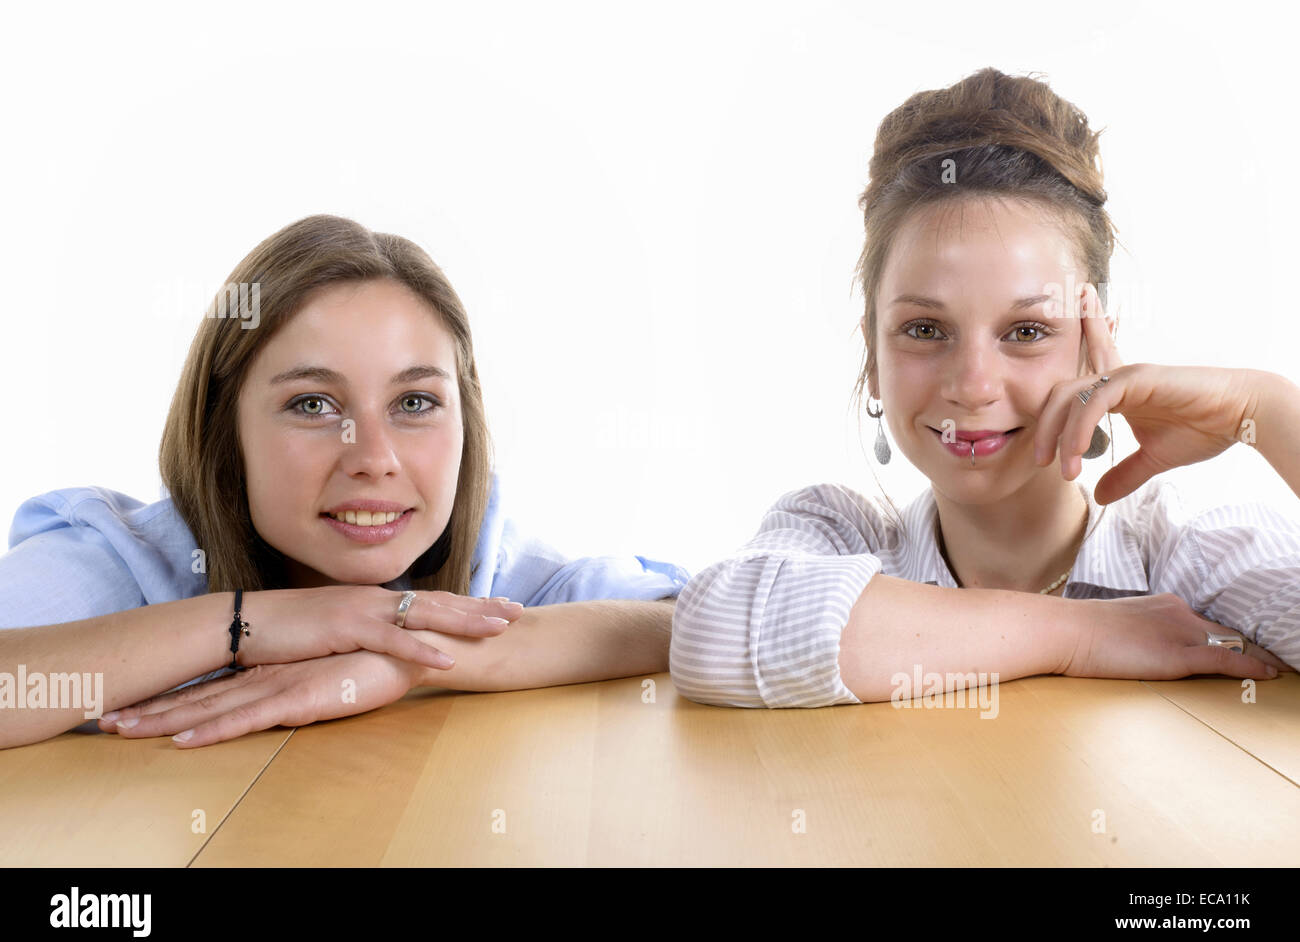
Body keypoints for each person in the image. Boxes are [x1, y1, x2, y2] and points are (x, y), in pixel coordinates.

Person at [671, 67, 1300, 708]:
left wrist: (1269, 409)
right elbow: (712, 634)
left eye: (1026, 331)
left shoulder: (1188, 557)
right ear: (871, 351)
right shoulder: (842, 536)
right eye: (924, 328)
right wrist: (1080, 634)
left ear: (1095, 349)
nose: (973, 387)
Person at [0, 214, 689, 747]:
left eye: (414, 402)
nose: (373, 456)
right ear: (224, 428)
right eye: (313, 405)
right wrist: (245, 625)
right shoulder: (125, 564)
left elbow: (711, 623)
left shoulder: (489, 571)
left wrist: (413, 653)